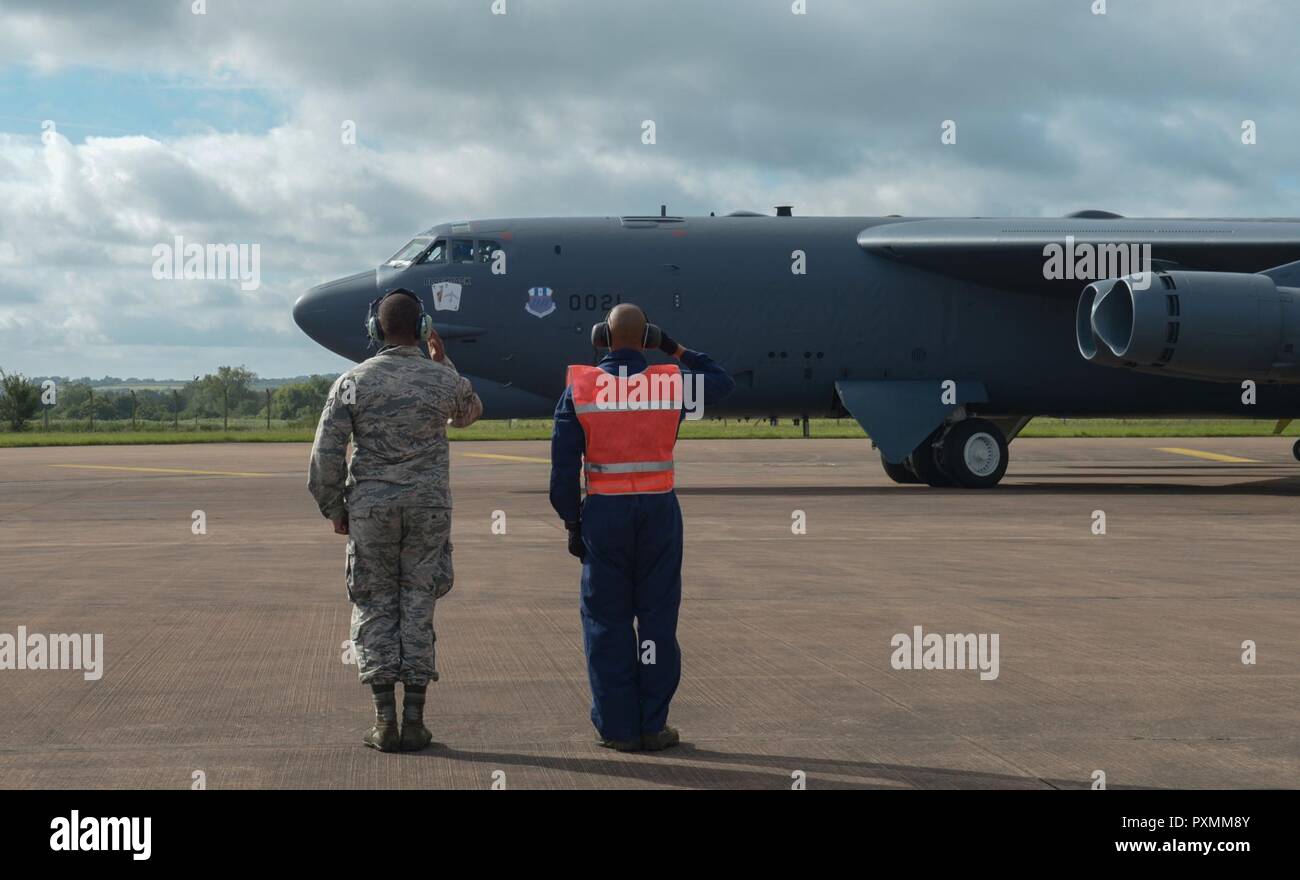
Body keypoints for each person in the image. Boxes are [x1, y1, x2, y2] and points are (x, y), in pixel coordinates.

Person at [550, 303, 734, 751]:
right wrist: (674, 348)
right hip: (658, 515)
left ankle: (617, 729)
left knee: (606, 623)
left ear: (602, 338)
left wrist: (573, 523)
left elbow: (561, 473)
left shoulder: (582, 386)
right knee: (656, 620)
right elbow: (723, 382)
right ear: (647, 336)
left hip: (605, 516)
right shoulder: (670, 383)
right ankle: (653, 724)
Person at [308, 288, 483, 752]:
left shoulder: (352, 382)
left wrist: (335, 508)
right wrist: (443, 363)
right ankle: (415, 720)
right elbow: (469, 413)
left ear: (375, 330)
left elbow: (325, 455)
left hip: (372, 510)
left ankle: (384, 721)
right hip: (427, 510)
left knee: (373, 602)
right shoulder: (440, 380)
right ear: (422, 328)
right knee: (418, 601)